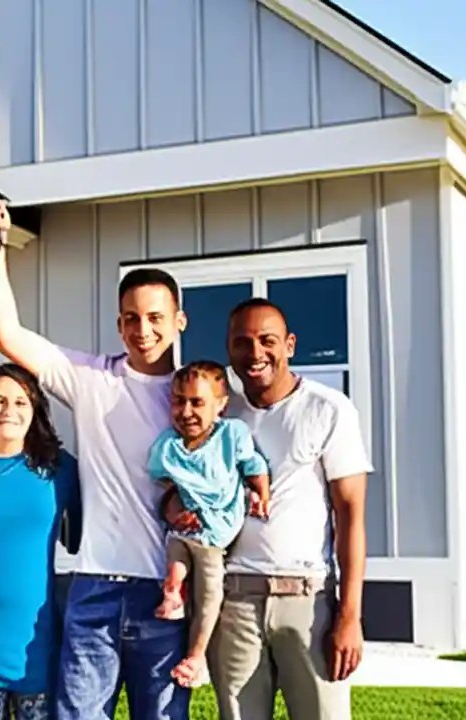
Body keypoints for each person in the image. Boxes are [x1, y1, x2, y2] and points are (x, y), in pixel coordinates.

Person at [0, 199, 192, 720]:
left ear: (179, 320)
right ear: (119, 325)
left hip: (167, 593)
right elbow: (7, 334)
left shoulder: (197, 398)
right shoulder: (92, 379)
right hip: (94, 590)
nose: (144, 329)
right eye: (132, 319)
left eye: (156, 317)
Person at [168, 298, 370, 720]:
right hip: (234, 599)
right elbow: (180, 483)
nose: (255, 353)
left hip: (307, 599)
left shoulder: (328, 409)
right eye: (242, 343)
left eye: (267, 341)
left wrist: (350, 616)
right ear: (229, 350)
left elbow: (351, 516)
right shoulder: (221, 415)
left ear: (290, 345)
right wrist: (172, 509)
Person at [0, 363, 81, 720]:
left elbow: (92, 528)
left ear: (34, 411)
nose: (9, 411)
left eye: (21, 402)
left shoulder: (59, 469)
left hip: (38, 645)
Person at [147, 360, 270, 689]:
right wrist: (174, 511)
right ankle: (172, 595)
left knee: (209, 596)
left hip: (215, 536)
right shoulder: (169, 447)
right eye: (178, 401)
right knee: (174, 562)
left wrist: (261, 493)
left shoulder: (231, 435)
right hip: (184, 529)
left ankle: (196, 656)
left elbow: (253, 466)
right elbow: (166, 486)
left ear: (220, 405)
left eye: (197, 402)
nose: (186, 411)